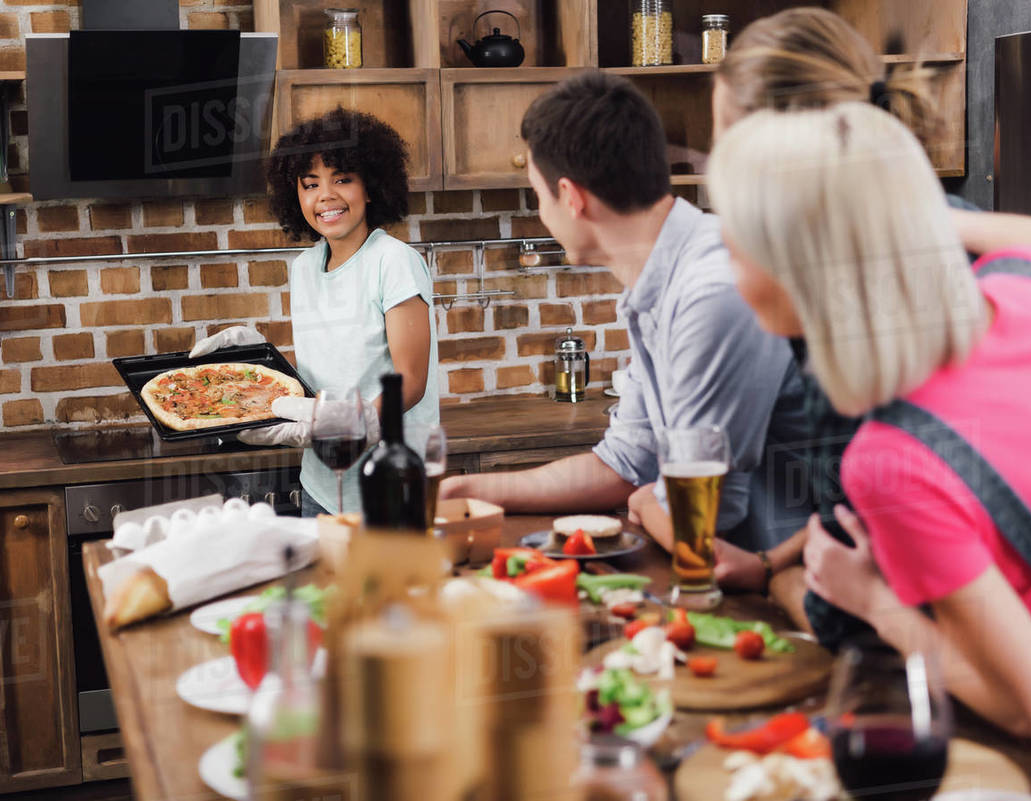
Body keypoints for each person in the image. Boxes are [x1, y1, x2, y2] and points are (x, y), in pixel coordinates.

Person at [708, 102, 1031, 796]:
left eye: (736, 247)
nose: (729, 273)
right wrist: (900, 216)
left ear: (803, 269)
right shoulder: (1026, 294)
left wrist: (873, 599)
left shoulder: (893, 461)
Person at [440, 71, 814, 573]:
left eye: (537, 194)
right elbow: (624, 464)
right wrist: (468, 489)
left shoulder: (711, 292)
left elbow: (700, 524)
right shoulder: (659, 279)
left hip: (802, 593)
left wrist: (644, 502)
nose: (540, 213)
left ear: (571, 197)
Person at [710, 6, 979, 643]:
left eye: (726, 137)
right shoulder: (937, 225)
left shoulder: (848, 284)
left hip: (954, 666)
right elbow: (864, 500)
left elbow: (863, 614)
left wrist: (779, 581)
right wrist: (774, 563)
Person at [190, 107, 439, 517]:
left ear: (372, 186)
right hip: (320, 484)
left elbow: (410, 382)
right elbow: (328, 370)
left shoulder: (394, 262)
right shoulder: (304, 267)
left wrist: (353, 428)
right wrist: (255, 364)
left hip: (390, 484)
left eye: (342, 179)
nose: (325, 195)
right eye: (310, 184)